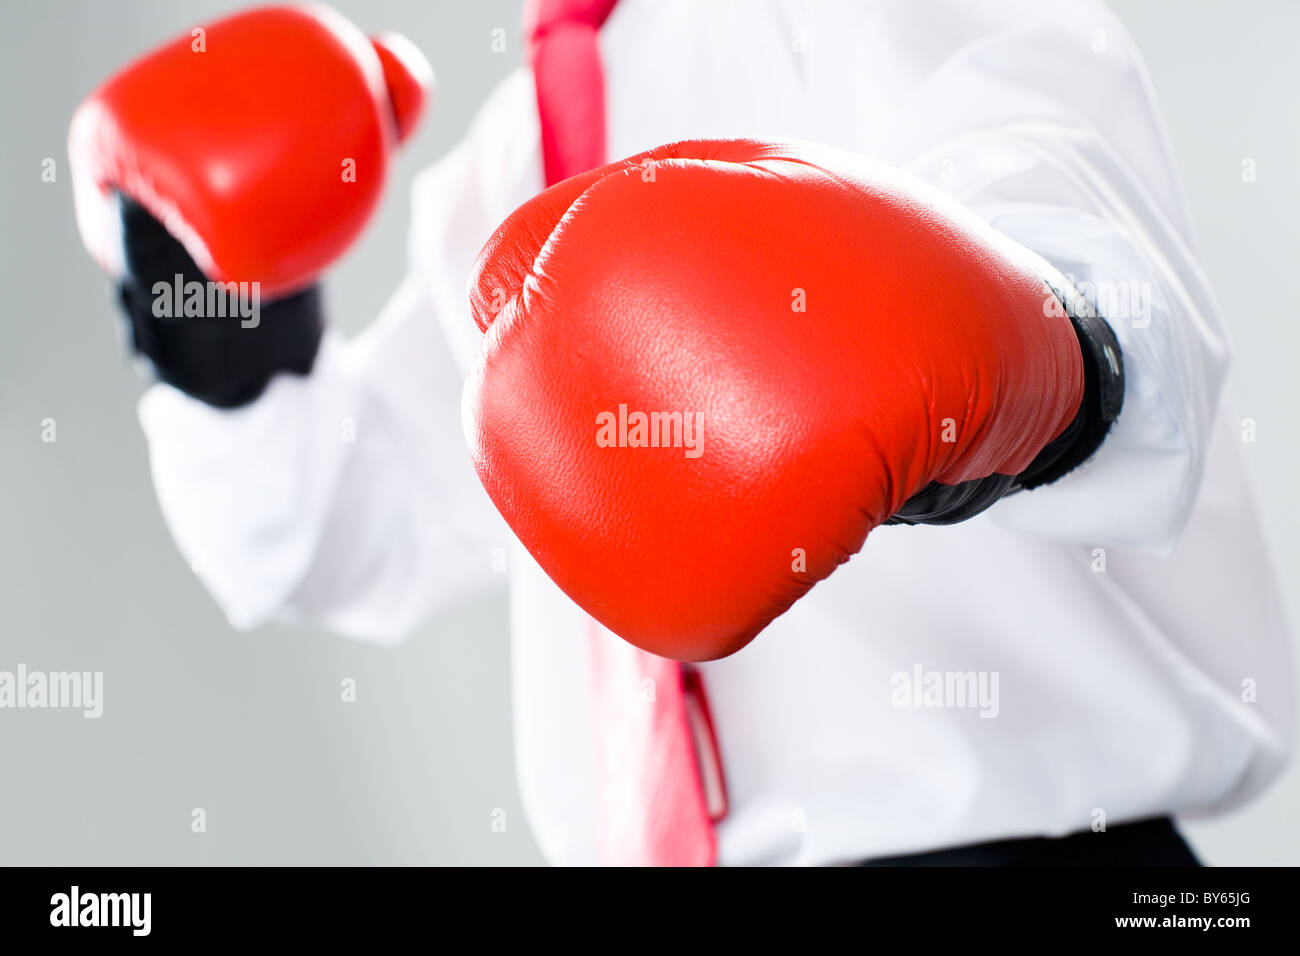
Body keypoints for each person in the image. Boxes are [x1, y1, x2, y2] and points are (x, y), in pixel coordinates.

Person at [69, 0, 1292, 866]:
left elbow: (1103, 270)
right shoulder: (514, 154)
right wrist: (217, 331)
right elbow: (338, 534)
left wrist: (1038, 355)